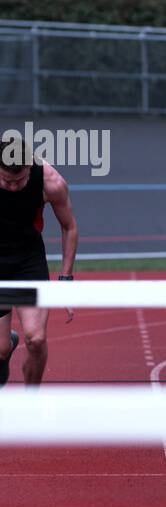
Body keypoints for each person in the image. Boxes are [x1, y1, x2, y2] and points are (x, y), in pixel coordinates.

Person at [0, 135, 78, 388]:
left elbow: (69, 228)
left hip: (27, 260)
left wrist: (65, 280)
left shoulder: (50, 182)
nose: (12, 186)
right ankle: (8, 344)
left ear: (29, 168)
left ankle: (31, 398)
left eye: (19, 180)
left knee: (36, 339)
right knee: (0, 350)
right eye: (5, 181)